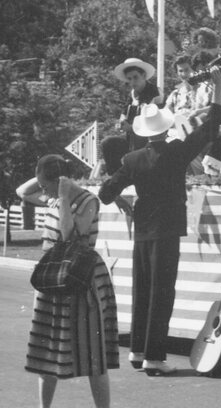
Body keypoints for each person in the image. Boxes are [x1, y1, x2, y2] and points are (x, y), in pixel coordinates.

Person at [98, 66, 221, 376]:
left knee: (142, 290)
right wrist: (219, 87)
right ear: (164, 129)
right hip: (167, 226)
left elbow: (105, 193)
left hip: (142, 228)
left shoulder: (132, 159)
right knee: (162, 292)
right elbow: (212, 125)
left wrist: (125, 202)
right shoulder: (176, 153)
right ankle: (154, 356)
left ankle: (139, 351)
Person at [19, 155, 118, 407]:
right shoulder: (50, 196)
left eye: (45, 185)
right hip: (52, 278)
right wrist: (46, 176)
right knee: (47, 350)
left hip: (81, 278)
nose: (42, 190)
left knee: (92, 353)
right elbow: (22, 191)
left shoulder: (87, 201)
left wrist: (63, 195)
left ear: (59, 182)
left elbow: (68, 236)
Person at [114, 57, 162, 151]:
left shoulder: (155, 93)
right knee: (108, 143)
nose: (132, 82)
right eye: (129, 79)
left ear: (143, 76)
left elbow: (154, 124)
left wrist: (131, 128)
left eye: (135, 77)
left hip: (150, 140)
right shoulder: (132, 93)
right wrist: (121, 122)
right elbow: (124, 112)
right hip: (132, 138)